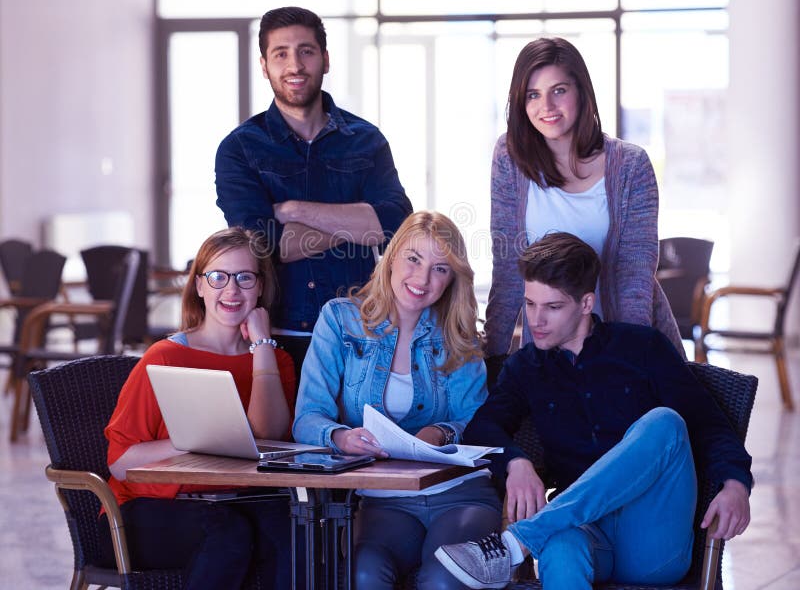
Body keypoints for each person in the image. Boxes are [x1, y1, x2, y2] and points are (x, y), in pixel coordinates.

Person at [434, 232, 752, 590]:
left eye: (552, 307)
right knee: (560, 548)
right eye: (530, 304)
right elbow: (483, 427)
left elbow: (707, 423)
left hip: (651, 542)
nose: (536, 320)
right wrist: (516, 463)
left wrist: (736, 482)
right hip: (586, 534)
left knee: (665, 423)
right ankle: (525, 540)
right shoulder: (525, 367)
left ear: (586, 304)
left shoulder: (642, 347)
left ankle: (515, 544)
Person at [293, 210, 502, 589]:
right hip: (382, 501)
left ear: (451, 279)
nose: (422, 279)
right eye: (414, 259)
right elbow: (307, 416)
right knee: (364, 575)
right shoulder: (340, 321)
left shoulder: (457, 333)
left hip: (458, 492)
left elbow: (477, 420)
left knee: (442, 578)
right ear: (391, 257)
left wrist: (440, 433)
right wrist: (340, 437)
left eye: (440, 269)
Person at [215, 5, 413, 379]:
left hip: (361, 334)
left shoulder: (367, 142)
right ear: (264, 65)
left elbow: (396, 227)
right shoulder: (239, 149)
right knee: (277, 438)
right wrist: (354, 223)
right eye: (281, 53)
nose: (295, 65)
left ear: (325, 59)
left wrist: (293, 209)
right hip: (273, 337)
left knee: (355, 438)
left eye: (306, 51)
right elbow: (263, 245)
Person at [99, 228, 299, 589]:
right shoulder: (165, 357)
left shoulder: (276, 361)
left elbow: (270, 435)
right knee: (228, 534)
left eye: (245, 277)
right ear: (200, 286)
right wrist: (199, 441)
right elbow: (120, 462)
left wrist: (263, 346)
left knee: (295, 536)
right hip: (154, 507)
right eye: (218, 277)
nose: (232, 290)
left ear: (261, 287)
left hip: (245, 500)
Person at [484, 36, 682, 383]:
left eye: (559, 90)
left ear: (582, 92)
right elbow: (508, 271)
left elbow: (634, 273)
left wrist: (624, 364)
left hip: (626, 343)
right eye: (533, 94)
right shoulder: (509, 159)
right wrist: (493, 360)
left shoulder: (630, 165)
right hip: (550, 351)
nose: (546, 105)